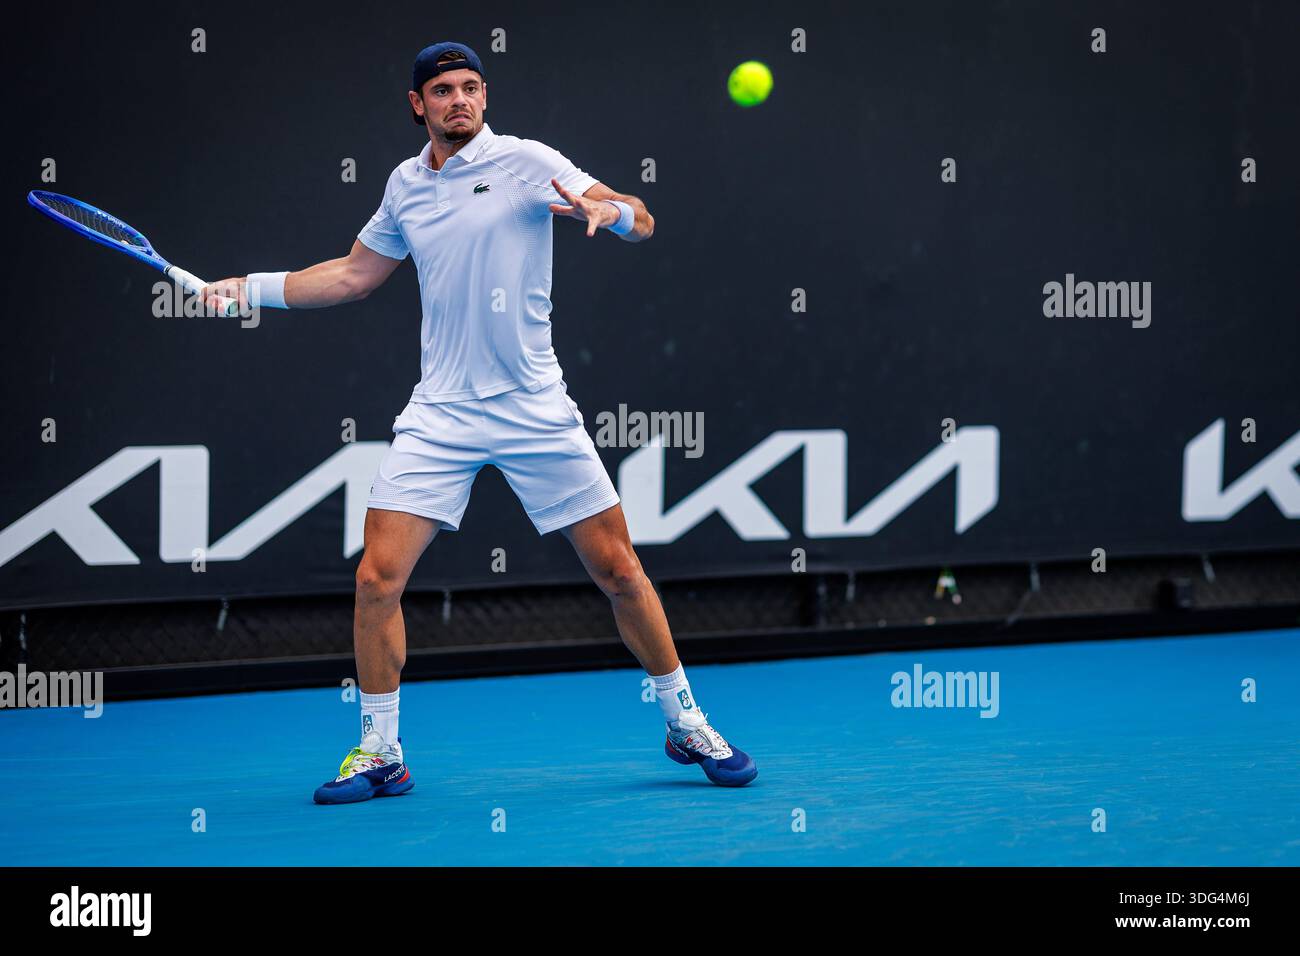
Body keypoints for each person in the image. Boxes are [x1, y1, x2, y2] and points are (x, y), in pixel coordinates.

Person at [206, 42, 757, 804]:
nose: (458, 100)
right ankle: (380, 751)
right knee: (376, 579)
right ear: (418, 105)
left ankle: (685, 721)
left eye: (470, 87)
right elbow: (353, 275)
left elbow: (643, 217)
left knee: (620, 571)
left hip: (535, 407)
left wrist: (614, 212)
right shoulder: (405, 185)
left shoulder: (529, 160)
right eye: (442, 91)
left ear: (484, 95)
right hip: (442, 412)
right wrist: (248, 290)